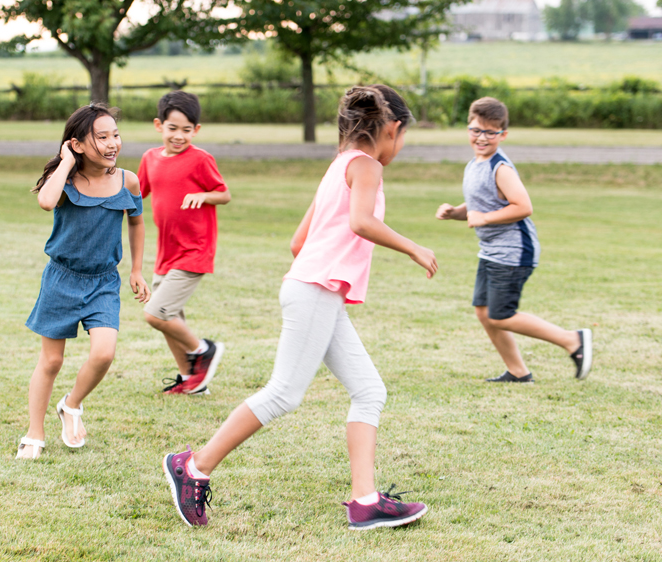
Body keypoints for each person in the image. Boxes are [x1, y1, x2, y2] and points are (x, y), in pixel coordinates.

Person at [162, 85, 437, 530]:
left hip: (316, 290)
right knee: (284, 392)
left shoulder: (338, 166)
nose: (399, 147)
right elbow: (362, 222)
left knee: (369, 391)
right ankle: (192, 466)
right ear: (392, 128)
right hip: (314, 290)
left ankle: (365, 500)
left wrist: (321, 280)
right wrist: (413, 247)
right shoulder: (365, 166)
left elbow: (298, 242)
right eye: (402, 138)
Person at [16, 103, 150, 459]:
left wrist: (136, 269)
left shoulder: (128, 180)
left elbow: (136, 221)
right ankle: (34, 432)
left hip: (104, 281)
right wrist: (65, 162)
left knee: (104, 353)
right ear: (77, 144)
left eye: (115, 135)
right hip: (61, 279)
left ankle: (71, 404)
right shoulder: (66, 180)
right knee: (51, 362)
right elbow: (46, 201)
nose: (112, 143)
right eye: (101, 137)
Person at [435, 97, 592, 383]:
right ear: (468, 129)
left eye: (490, 132)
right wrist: (456, 212)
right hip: (491, 251)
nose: (481, 138)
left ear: (502, 134)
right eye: (475, 130)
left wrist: (483, 218)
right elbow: (484, 204)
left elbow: (522, 206)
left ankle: (572, 340)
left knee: (501, 314)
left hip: (513, 252)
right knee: (484, 313)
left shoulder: (501, 168)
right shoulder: (474, 164)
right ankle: (518, 372)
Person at [139, 91, 231, 396]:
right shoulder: (150, 158)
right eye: (173, 129)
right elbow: (137, 195)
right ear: (158, 125)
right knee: (171, 318)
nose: (179, 136)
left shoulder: (201, 159)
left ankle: (203, 350)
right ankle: (191, 380)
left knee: (156, 313)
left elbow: (224, 193)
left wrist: (203, 195)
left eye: (187, 130)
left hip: (194, 251)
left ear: (197, 130)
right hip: (166, 253)